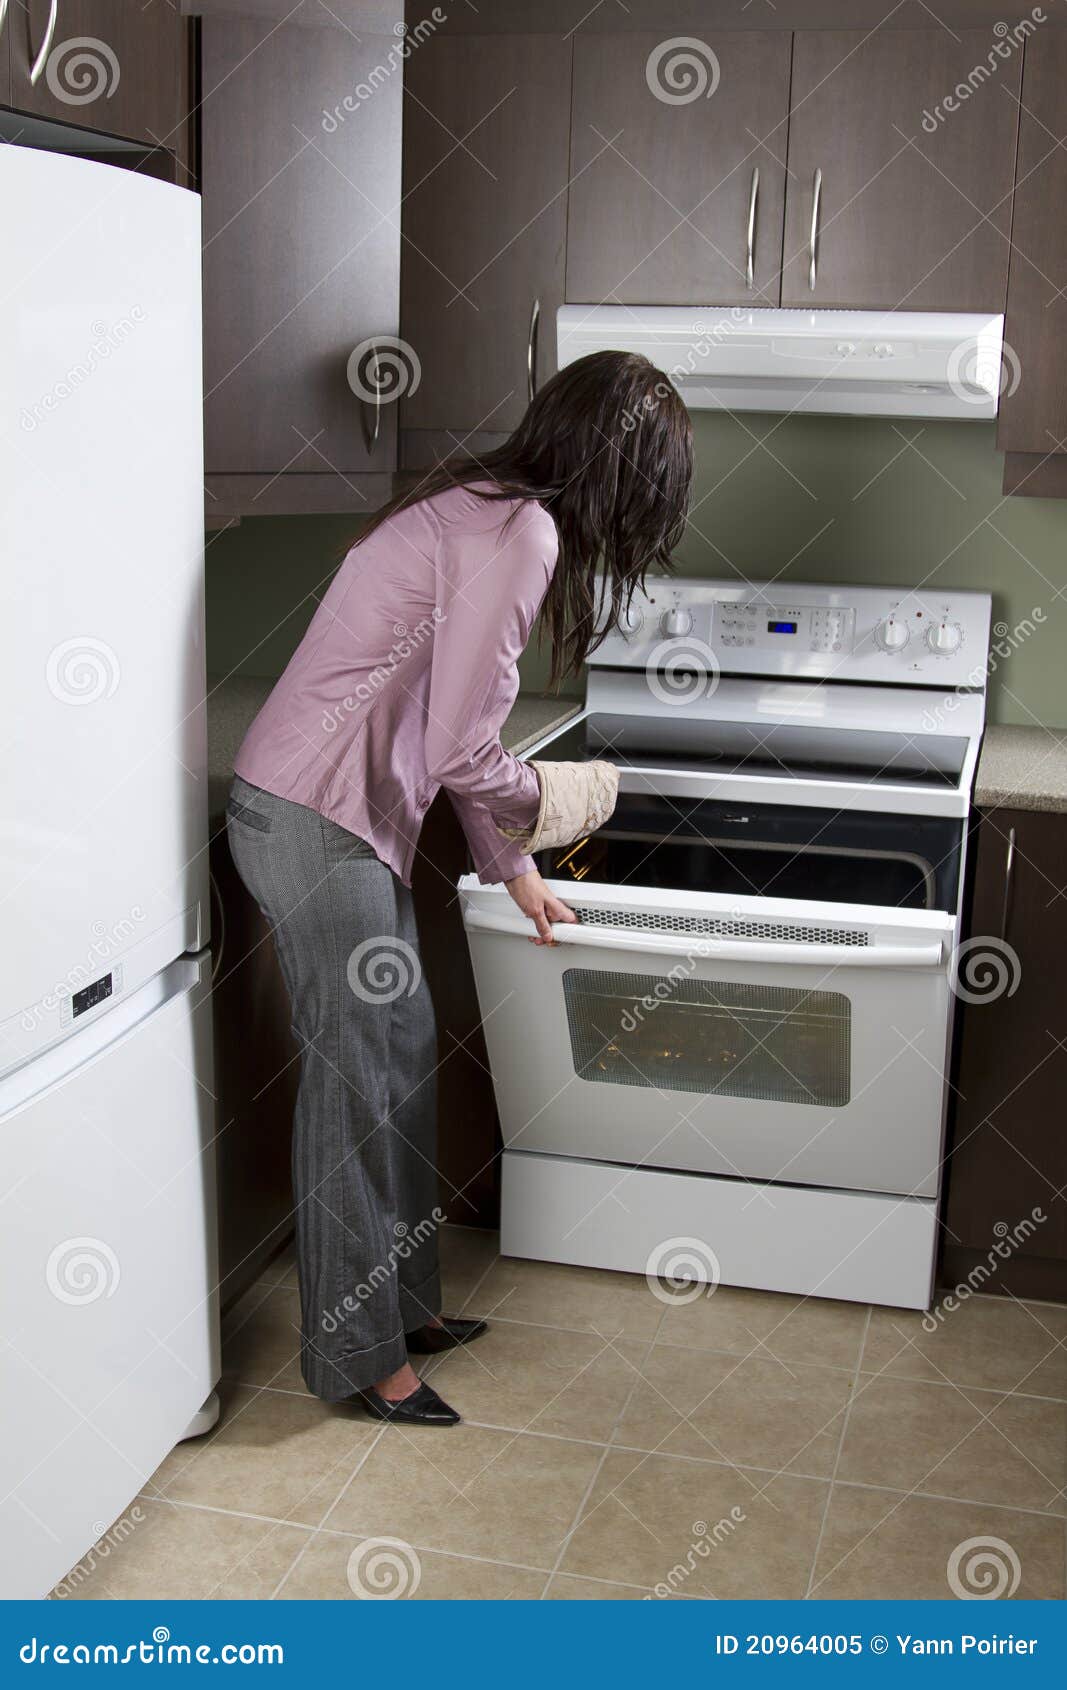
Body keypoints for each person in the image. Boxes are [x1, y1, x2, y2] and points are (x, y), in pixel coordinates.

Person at [226, 350, 693, 1424]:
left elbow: (451, 730)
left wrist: (514, 868)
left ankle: (406, 1309)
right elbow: (461, 749)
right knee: (355, 1080)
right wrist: (558, 799)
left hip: (328, 814)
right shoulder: (519, 531)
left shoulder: (483, 504)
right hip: (312, 819)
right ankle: (359, 1357)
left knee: (398, 1053)